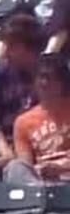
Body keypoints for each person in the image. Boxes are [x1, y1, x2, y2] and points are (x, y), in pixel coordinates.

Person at [7, 57, 70, 186]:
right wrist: (40, 171)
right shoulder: (23, 122)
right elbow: (26, 163)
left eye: (50, 78)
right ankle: (39, 195)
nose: (44, 83)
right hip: (42, 181)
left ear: (62, 82)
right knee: (15, 167)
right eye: (40, 77)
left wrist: (61, 168)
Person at [0, 14, 44, 141]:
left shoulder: (55, 78)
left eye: (12, 46)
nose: (5, 53)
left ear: (31, 48)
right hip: (4, 145)